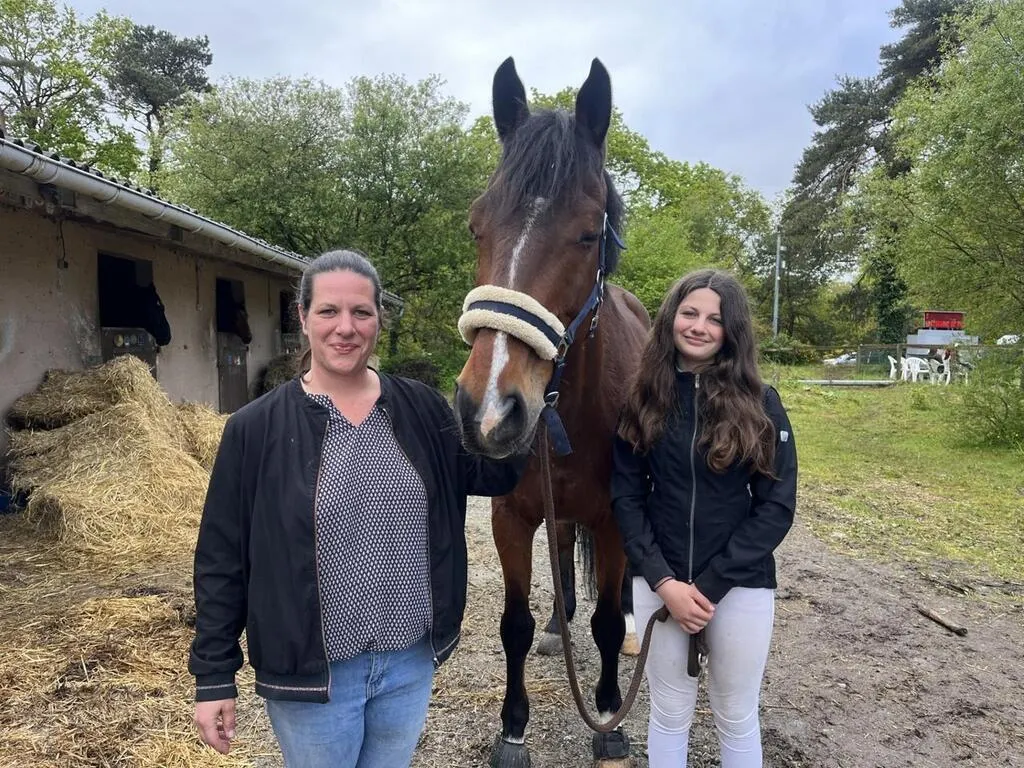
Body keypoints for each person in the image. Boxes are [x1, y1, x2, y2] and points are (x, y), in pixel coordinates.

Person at [190, 249, 525, 767]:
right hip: (312, 675)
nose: (345, 328)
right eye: (328, 311)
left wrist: (531, 386)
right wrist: (214, 677)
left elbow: (495, 472)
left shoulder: (422, 409)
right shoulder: (254, 429)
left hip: (408, 663)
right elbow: (221, 559)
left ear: (377, 321)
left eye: (361, 313)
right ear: (302, 318)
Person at [610, 268, 798, 768]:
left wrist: (711, 585)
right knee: (668, 713)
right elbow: (626, 498)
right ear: (671, 318)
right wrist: (664, 581)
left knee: (736, 715)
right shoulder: (642, 400)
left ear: (730, 331)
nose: (699, 326)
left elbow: (776, 508)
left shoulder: (762, 405)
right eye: (689, 313)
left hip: (739, 587)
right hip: (660, 583)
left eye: (714, 319)